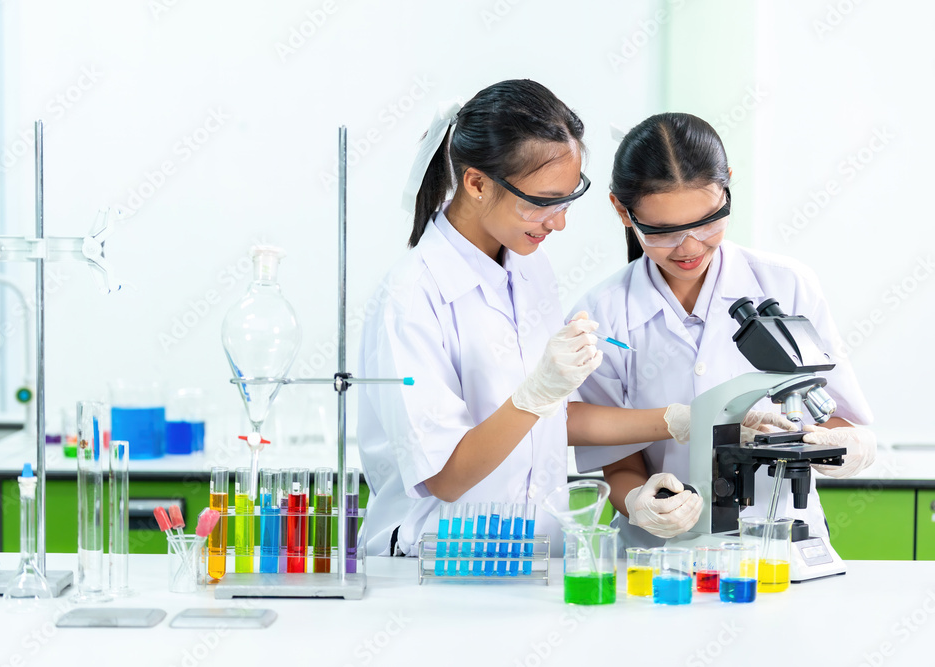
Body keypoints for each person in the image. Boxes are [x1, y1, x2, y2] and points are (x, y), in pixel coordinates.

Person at [358, 81, 708, 557]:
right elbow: (444, 475)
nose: (558, 222)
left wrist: (678, 420)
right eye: (543, 202)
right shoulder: (413, 295)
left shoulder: (528, 267)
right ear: (477, 184)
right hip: (439, 560)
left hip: (536, 554)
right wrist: (535, 394)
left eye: (568, 198)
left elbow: (554, 419)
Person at [570, 112, 876, 547]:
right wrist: (640, 501)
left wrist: (843, 444)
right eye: (663, 230)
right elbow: (619, 462)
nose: (691, 246)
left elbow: (838, 416)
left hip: (780, 542)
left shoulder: (786, 284)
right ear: (622, 210)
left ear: (728, 184)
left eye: (708, 220)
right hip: (660, 556)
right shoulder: (602, 313)